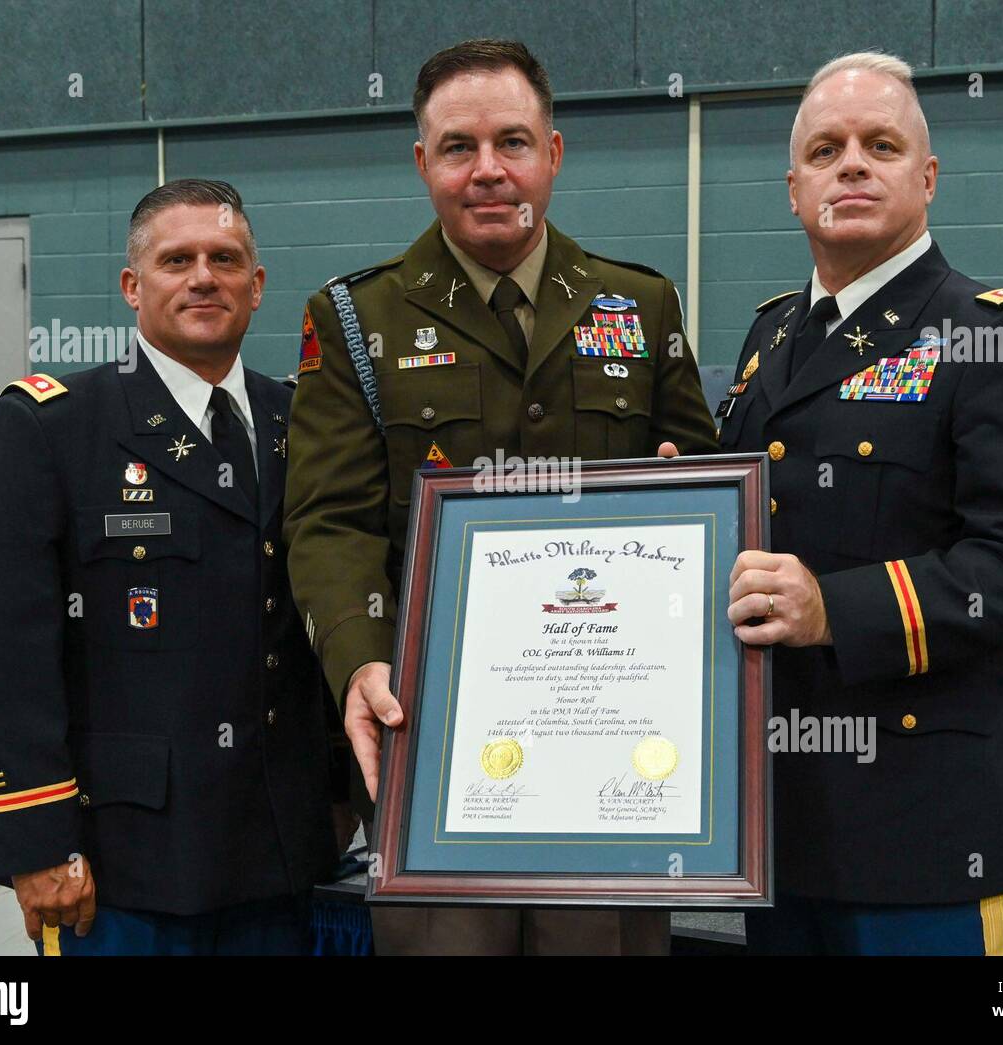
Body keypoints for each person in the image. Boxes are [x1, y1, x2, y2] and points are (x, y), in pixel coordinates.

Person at [284, 39, 718, 955]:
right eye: (458, 147)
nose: (488, 169)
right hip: (433, 742)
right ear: (423, 163)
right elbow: (329, 522)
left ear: (551, 153)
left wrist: (686, 511)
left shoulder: (640, 305)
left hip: (612, 742)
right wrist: (362, 665)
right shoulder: (357, 320)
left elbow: (706, 484)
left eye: (512, 141)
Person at [715, 52, 1003, 955]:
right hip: (774, 819)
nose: (851, 164)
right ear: (794, 189)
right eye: (825, 150)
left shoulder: (1000, 333)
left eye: (880, 145)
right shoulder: (772, 333)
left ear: (926, 177)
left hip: (925, 826)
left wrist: (832, 610)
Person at [0, 179, 342, 955]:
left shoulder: (302, 424)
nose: (203, 277)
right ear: (131, 285)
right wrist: (35, 839)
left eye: (225, 259)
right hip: (120, 865)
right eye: (176, 260)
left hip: (277, 854)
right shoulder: (46, 427)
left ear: (257, 285)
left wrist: (339, 790)